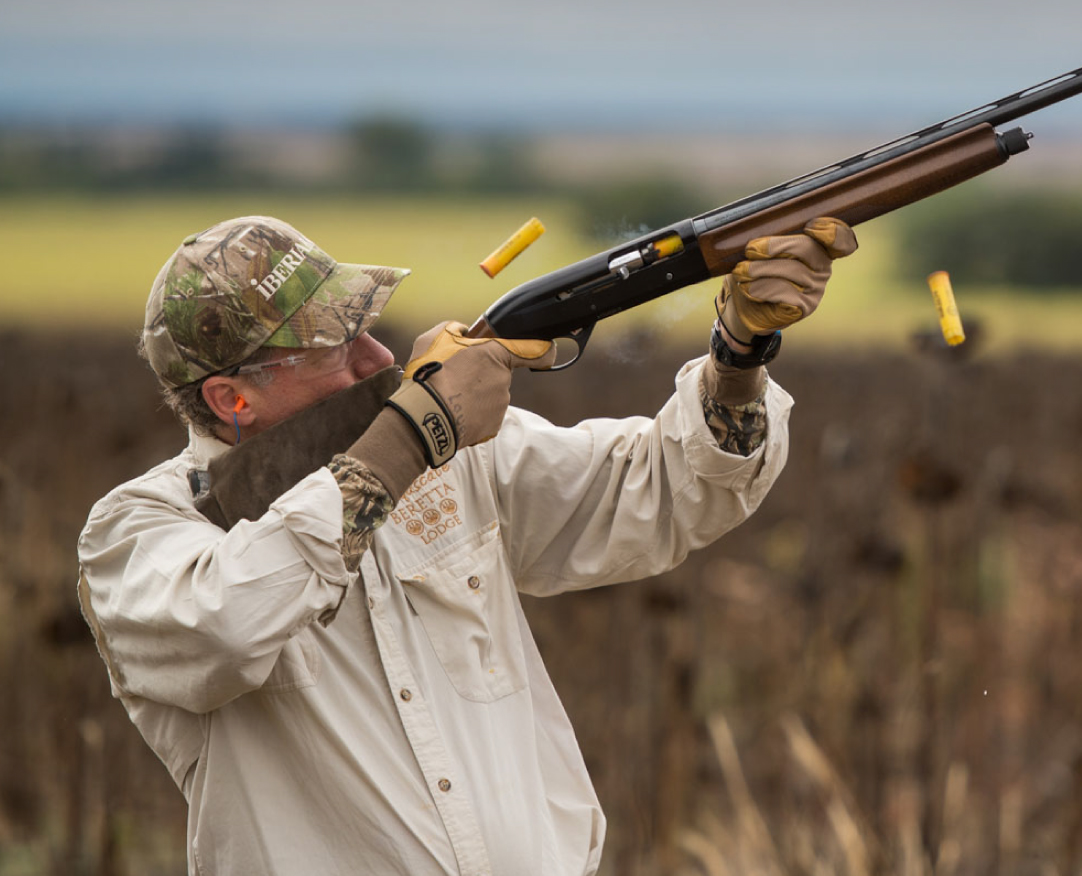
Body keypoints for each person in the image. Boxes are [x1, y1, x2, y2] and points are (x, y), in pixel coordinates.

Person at [77, 212, 856, 876]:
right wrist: (413, 435)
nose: (378, 360)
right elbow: (227, 621)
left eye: (366, 330)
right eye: (332, 348)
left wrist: (739, 351)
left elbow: (660, 493)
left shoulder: (451, 456)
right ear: (231, 398)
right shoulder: (139, 533)